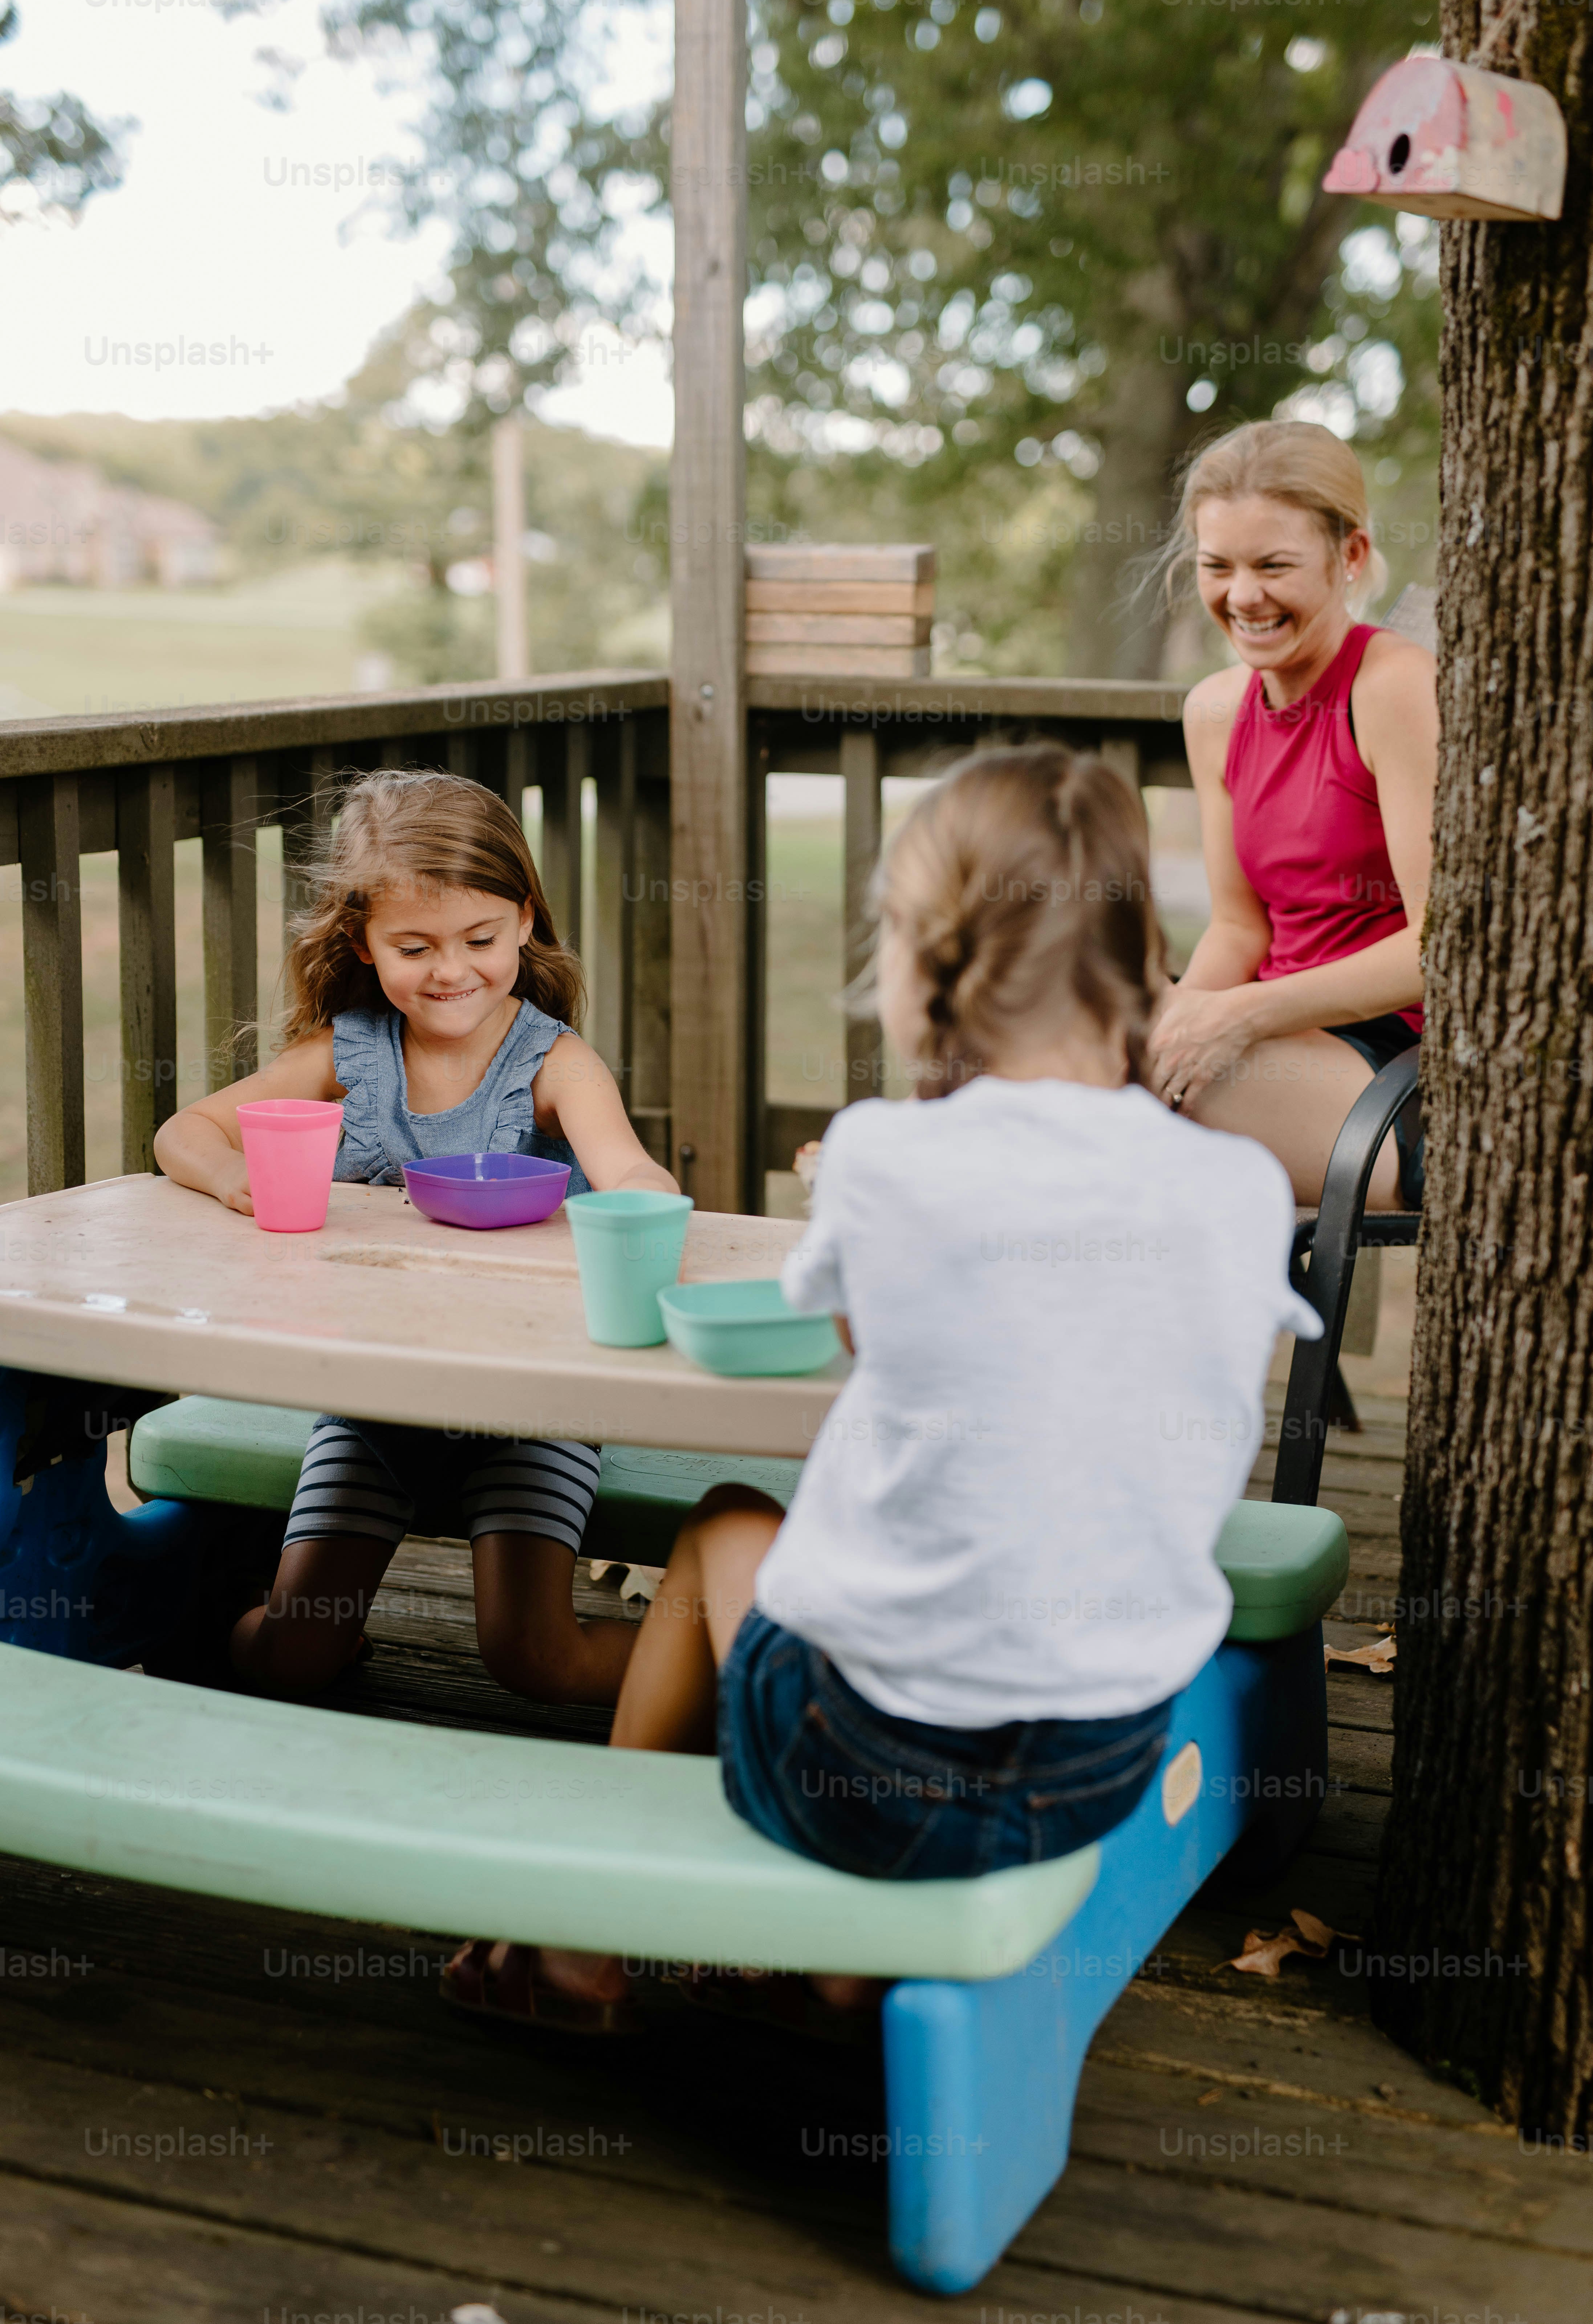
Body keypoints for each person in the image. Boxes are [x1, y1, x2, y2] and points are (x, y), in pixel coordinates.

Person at [443, 744, 1320, 2031]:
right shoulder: (1240, 1182)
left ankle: (590, 1949)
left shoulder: (882, 1154)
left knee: (729, 1524)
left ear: (920, 954)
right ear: (1142, 959)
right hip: (1092, 1759)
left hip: (868, 1765)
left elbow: (861, 1323)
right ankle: (845, 1967)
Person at [154, 768, 677, 1707]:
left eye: (479, 938)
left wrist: (641, 1199)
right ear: (364, 940)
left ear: (523, 921)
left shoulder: (553, 1062)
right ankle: (172, 1627)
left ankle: (723, 1674)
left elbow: (630, 1169)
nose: (451, 970)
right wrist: (239, 1179)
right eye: (414, 945)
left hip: (531, 1407)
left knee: (532, 1658)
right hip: (375, 1402)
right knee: (292, 1653)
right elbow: (184, 1133)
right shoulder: (348, 1058)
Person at [1146, 420, 1437, 1207]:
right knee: (1054, 1023)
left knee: (1110, 1093)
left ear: (1349, 556)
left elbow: (1437, 946)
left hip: (1397, 1064)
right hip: (1268, 1027)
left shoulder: (1392, 687)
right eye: (1218, 566)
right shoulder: (1212, 710)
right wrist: (1182, 1016)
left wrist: (1234, 1019)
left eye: (1273, 565)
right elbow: (1241, 929)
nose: (1243, 596)